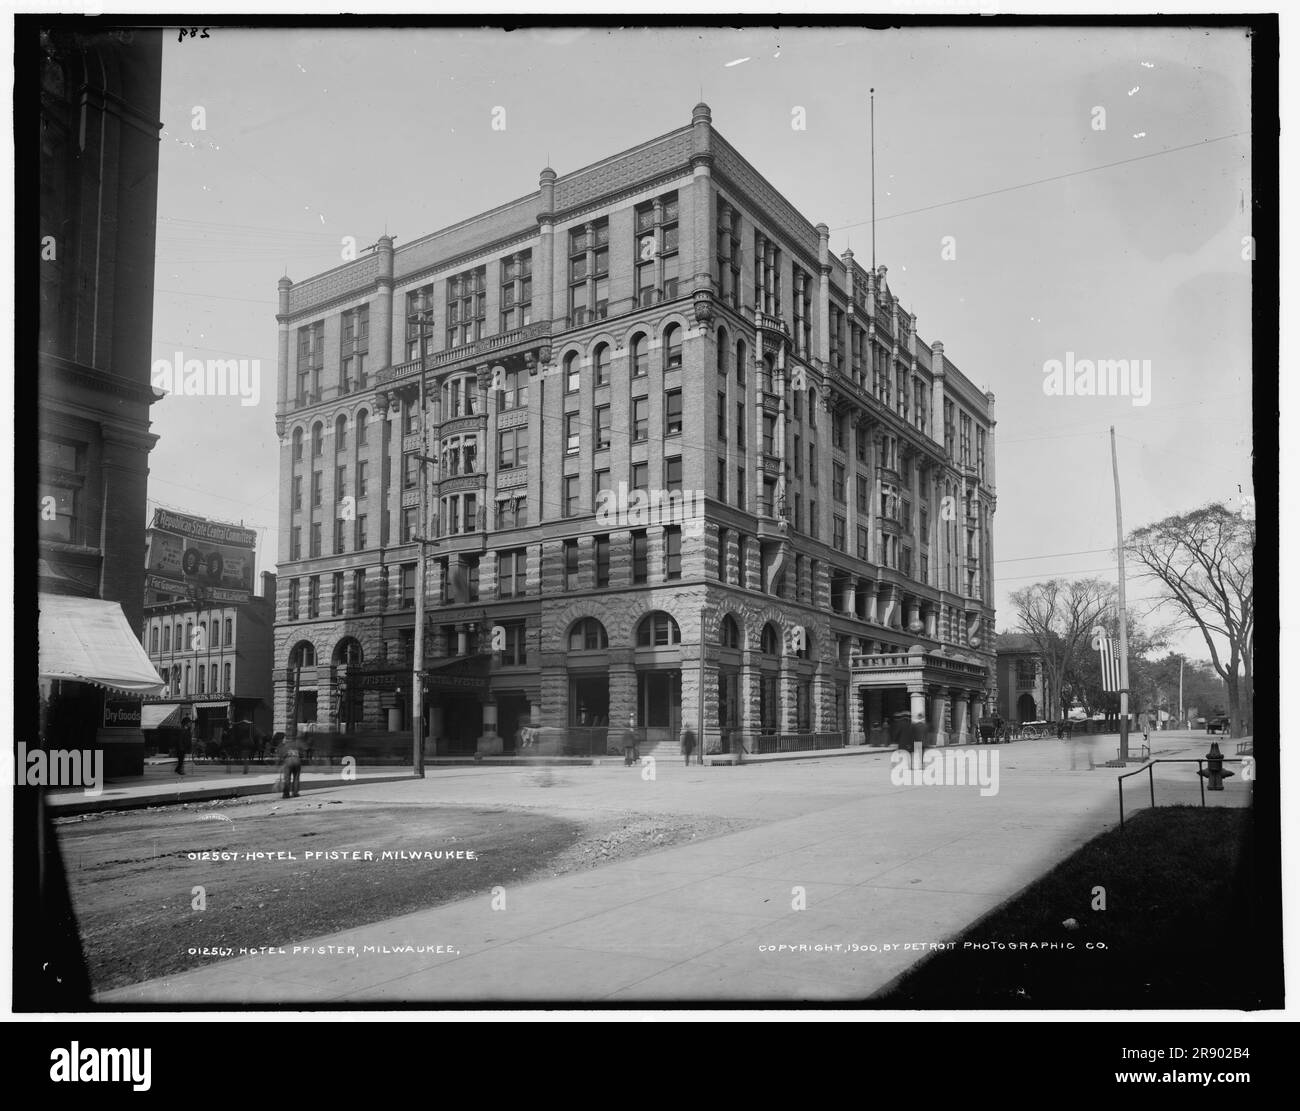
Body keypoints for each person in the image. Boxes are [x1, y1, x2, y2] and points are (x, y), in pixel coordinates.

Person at [275, 731, 301, 799]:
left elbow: (281, 755)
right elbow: (302, 752)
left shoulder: (283, 745)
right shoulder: (296, 743)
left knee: (287, 778)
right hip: (297, 760)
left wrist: (278, 764)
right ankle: (295, 793)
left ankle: (286, 794)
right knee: (296, 778)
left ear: (286, 738)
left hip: (288, 761)